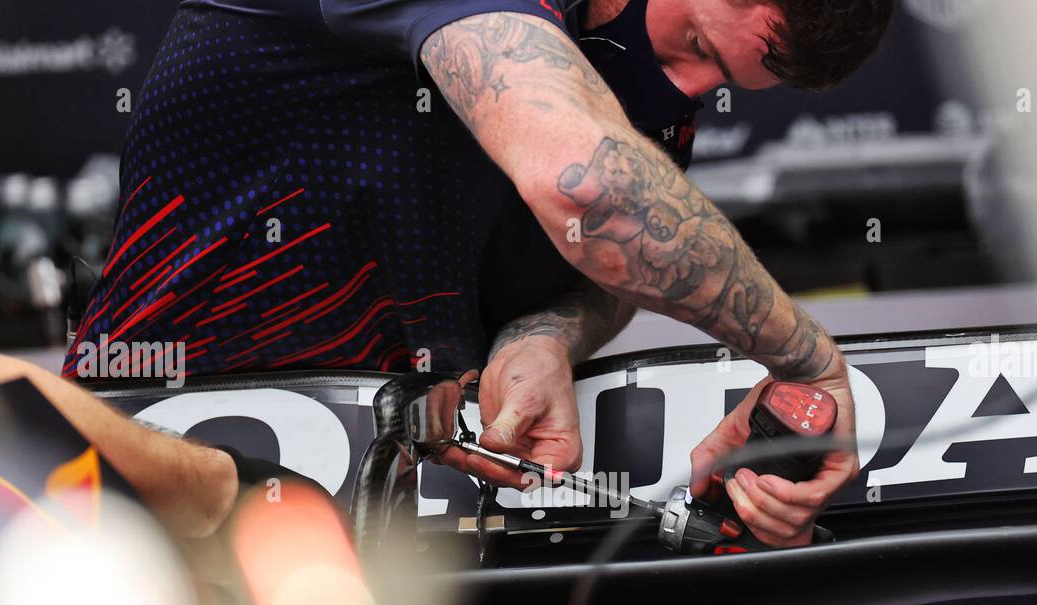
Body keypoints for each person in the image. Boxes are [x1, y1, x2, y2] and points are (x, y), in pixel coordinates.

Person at [65, 0, 892, 546]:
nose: (689, 90)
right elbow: (597, 190)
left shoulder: (634, 80)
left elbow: (604, 271)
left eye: (723, 84)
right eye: (697, 47)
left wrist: (543, 338)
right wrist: (809, 360)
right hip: (160, 467)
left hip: (400, 526)